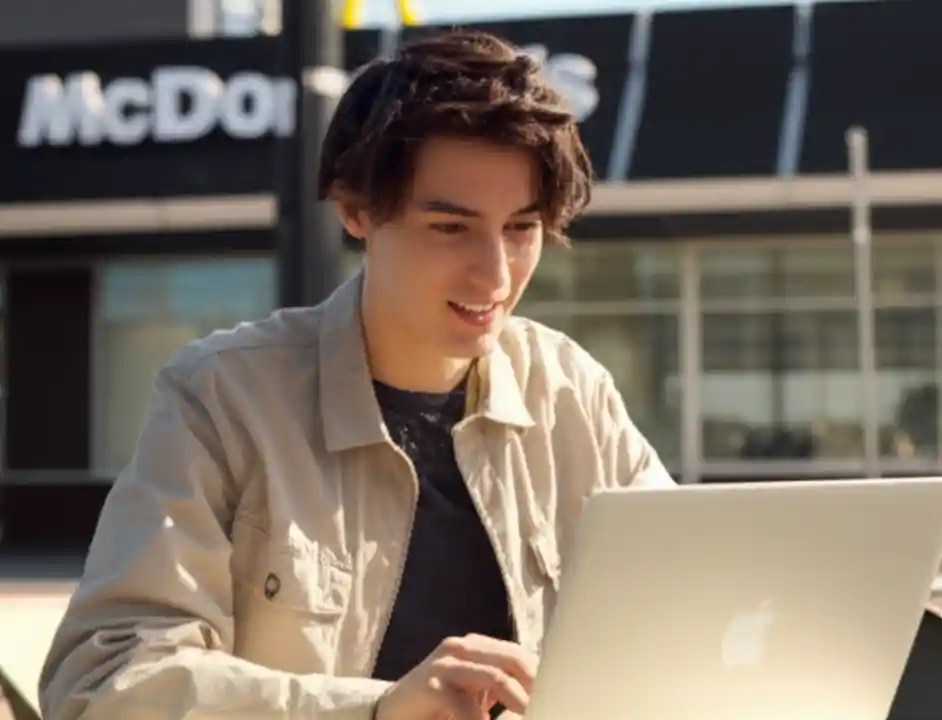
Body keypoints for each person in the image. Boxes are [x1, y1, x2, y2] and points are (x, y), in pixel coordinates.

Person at [39, 30, 673, 720]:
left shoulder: (572, 393)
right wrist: (373, 712)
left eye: (520, 229)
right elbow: (103, 682)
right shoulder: (223, 397)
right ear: (356, 210)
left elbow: (693, 610)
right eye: (450, 228)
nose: (495, 275)